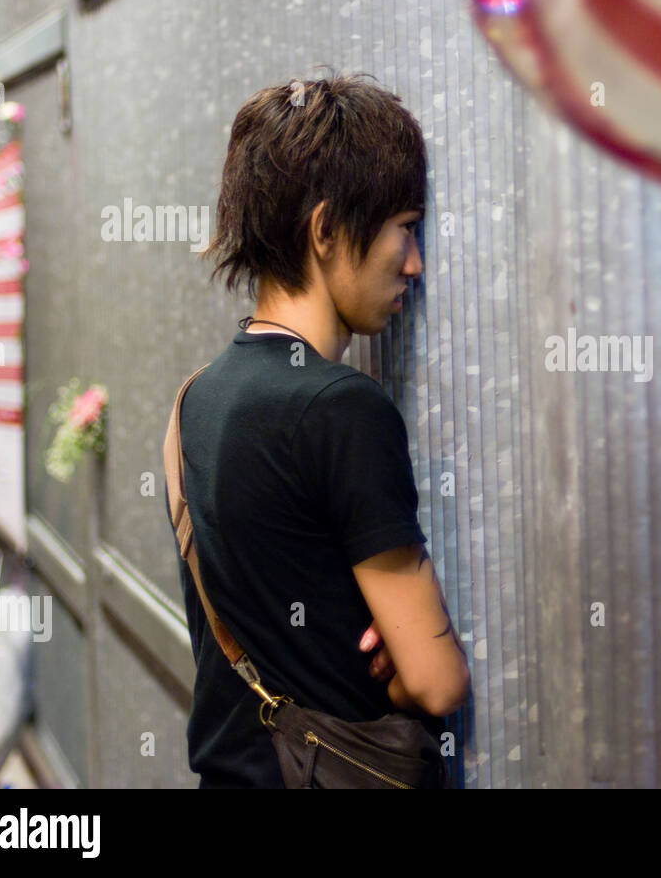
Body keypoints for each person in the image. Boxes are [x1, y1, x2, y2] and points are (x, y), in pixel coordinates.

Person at [171, 73, 469, 788]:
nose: (416, 264)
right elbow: (437, 683)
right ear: (327, 230)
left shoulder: (194, 398)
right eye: (405, 227)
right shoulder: (344, 409)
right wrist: (396, 675)